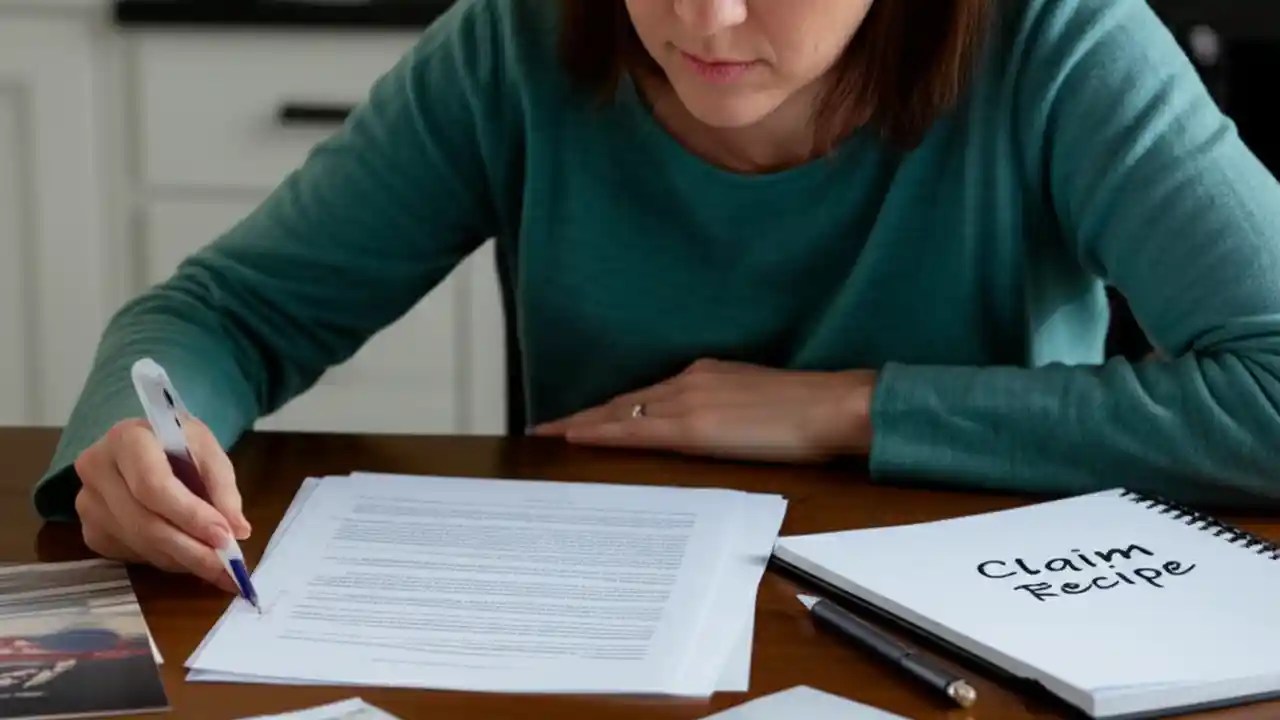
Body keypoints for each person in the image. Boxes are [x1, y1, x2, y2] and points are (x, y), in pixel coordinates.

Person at [31, 0, 1280, 592]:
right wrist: (134, 441)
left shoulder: (1061, 41)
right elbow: (230, 313)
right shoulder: (513, 47)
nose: (707, 18)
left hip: (1002, 622)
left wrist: (846, 410)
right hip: (599, 624)